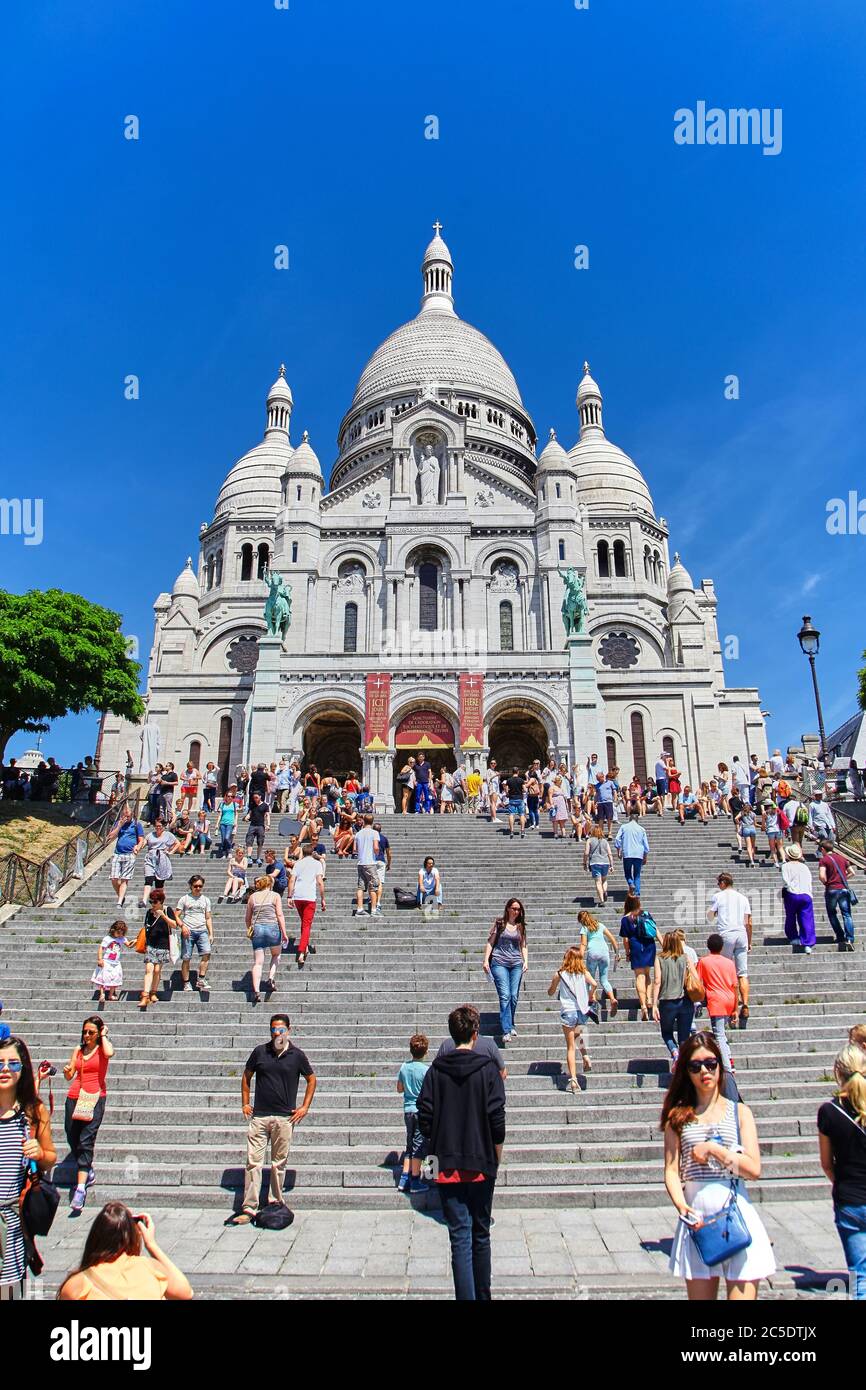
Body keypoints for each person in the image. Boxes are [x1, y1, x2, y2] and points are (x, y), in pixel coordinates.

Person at [662, 1032, 775, 1300]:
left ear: (720, 1065)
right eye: (695, 1066)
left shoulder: (740, 1112)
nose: (704, 1071)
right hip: (697, 1217)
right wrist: (681, 1205)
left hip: (736, 1215)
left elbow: (754, 1168)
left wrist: (714, 1150)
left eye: (710, 1063)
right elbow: (670, 1169)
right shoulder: (677, 1117)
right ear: (685, 1071)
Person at [416, 1004, 506, 1302]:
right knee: (481, 1233)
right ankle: (483, 1295)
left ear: (452, 1035)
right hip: (482, 1160)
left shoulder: (435, 1070)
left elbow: (424, 1117)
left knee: (459, 1236)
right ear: (476, 1034)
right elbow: (497, 1119)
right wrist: (497, 1152)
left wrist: (437, 1139)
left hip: (446, 1162)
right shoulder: (489, 1070)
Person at [232, 1015, 316, 1224]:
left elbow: (311, 1078)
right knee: (253, 1161)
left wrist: (305, 1107)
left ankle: (275, 1201)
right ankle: (249, 1207)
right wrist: (245, 1102)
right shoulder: (260, 1051)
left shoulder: (297, 1055)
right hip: (260, 1115)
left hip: (284, 1117)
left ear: (288, 1030)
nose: (277, 1033)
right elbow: (246, 1075)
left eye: (281, 1030)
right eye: (274, 1030)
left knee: (279, 1162)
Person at [0, 1034, 56, 1299]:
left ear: (23, 1069)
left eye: (13, 1064)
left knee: (9, 1292)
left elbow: (51, 1158)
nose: (5, 1070)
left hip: (11, 1221)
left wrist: (40, 1151)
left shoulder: (33, 1111)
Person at [59, 1202, 193, 1300]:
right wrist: (151, 1244)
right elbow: (186, 1294)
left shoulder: (77, 1284)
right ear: (133, 1236)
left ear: (95, 1237)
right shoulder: (150, 1268)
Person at [817, 1043, 866, 1300]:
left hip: (849, 1200)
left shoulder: (829, 1111)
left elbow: (826, 1163)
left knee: (859, 1276)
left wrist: (842, 1181)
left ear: (838, 1072)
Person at [63, 1016, 114, 1212]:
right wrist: (67, 1071)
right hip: (75, 1096)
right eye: (85, 1032)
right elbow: (70, 1075)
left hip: (95, 1097)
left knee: (86, 1139)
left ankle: (81, 1187)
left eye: (91, 1032)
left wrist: (103, 1035)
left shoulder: (102, 1049)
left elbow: (110, 1052)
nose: (86, 1036)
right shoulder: (78, 1050)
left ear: (98, 1032)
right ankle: (86, 1168)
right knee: (71, 1134)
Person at [547, 945, 596, 1090]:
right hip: (582, 1010)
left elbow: (551, 992)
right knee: (579, 1035)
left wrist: (552, 987)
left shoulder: (560, 973)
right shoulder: (583, 972)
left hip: (568, 1010)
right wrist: (590, 994)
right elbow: (594, 984)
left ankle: (574, 1079)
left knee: (570, 1047)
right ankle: (586, 1055)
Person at [707, 873, 752, 1021]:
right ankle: (745, 1003)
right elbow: (748, 922)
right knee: (742, 973)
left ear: (724, 882)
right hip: (741, 934)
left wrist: (712, 913)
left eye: (719, 883)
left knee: (726, 970)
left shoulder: (718, 897)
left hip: (727, 934)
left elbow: (710, 916)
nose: (718, 885)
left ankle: (731, 1003)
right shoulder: (743, 898)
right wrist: (749, 941)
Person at [483, 898, 528, 1043]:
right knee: (505, 995)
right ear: (508, 908)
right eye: (514, 908)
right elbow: (490, 942)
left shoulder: (521, 926)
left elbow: (523, 945)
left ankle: (511, 1023)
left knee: (513, 996)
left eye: (518, 909)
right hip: (499, 962)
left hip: (516, 963)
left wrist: (525, 961)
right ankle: (506, 1030)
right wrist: (485, 960)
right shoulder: (500, 923)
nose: (516, 911)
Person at [695, 935, 738, 1073]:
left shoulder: (704, 962)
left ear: (708, 946)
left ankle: (727, 1067)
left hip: (716, 1001)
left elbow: (697, 981)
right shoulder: (729, 963)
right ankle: (729, 1059)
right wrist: (736, 1008)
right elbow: (735, 986)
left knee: (719, 1034)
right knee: (722, 1033)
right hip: (730, 999)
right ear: (721, 947)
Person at [652, 932, 695, 1069]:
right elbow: (695, 976)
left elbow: (657, 981)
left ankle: (675, 1053)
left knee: (666, 1032)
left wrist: (654, 1004)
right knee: (684, 1036)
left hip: (667, 1001)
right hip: (685, 1000)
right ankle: (683, 1063)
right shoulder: (685, 957)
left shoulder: (659, 958)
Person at [396, 1034, 430, 1194]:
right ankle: (415, 1179)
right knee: (418, 1145)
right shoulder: (426, 1070)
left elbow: (399, 1088)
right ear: (426, 1052)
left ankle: (404, 1178)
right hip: (421, 1110)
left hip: (408, 1109)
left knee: (409, 1144)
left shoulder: (404, 1067)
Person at [246, 875, 289, 1000]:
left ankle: (256, 990)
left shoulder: (252, 897)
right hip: (273, 928)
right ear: (270, 884)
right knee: (276, 955)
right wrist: (284, 933)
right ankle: (270, 978)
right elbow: (280, 915)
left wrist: (250, 929)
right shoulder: (275, 896)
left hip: (258, 929)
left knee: (258, 962)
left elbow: (247, 918)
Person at [287, 844, 326, 969]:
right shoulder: (317, 864)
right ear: (312, 852)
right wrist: (323, 898)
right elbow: (320, 882)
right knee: (307, 924)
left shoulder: (298, 864)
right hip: (309, 897)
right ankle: (302, 952)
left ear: (302, 853)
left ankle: (306, 947)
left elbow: (292, 880)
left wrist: (289, 896)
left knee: (304, 923)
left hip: (298, 896)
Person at [620, 893, 657, 1021]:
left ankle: (643, 1006)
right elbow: (654, 929)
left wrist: (627, 952)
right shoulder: (645, 913)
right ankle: (650, 1000)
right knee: (648, 975)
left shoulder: (625, 919)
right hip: (649, 945)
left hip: (636, 947)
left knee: (639, 976)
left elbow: (625, 939)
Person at [139, 889, 179, 1010]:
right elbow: (146, 928)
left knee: (157, 970)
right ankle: (145, 996)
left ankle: (153, 992)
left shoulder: (167, 910)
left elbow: (174, 925)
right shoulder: (149, 912)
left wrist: (163, 916)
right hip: (151, 944)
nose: (153, 904)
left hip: (163, 945)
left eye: (155, 902)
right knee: (149, 969)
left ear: (161, 901)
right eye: (151, 901)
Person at [175, 874, 214, 992]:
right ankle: (186, 983)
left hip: (202, 930)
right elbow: (176, 915)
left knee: (207, 953)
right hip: (188, 931)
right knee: (186, 958)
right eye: (195, 886)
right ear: (191, 886)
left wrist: (211, 933)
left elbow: (208, 917)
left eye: (200, 886)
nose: (198, 888)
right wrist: (182, 926)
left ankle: (201, 979)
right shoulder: (184, 899)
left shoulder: (206, 900)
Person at [576, 909, 620, 1015]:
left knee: (590, 979)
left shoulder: (584, 928)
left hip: (593, 953)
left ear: (581, 921)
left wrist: (579, 957)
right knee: (604, 980)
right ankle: (613, 999)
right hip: (605, 953)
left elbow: (583, 944)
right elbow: (613, 940)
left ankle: (593, 1001)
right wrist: (617, 953)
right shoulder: (600, 925)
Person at [818, 839, 857, 951]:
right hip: (843, 890)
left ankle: (840, 936)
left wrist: (827, 882)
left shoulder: (824, 860)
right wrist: (843, 879)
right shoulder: (842, 858)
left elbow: (821, 876)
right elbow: (852, 872)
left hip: (832, 890)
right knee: (847, 914)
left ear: (823, 849)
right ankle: (849, 939)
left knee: (832, 913)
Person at [779, 844, 816, 953]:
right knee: (807, 918)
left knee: (790, 916)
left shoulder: (785, 866)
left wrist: (788, 887)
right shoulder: (804, 866)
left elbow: (785, 880)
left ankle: (794, 937)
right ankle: (808, 943)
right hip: (806, 894)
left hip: (792, 894)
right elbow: (809, 880)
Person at [107, 806, 145, 909]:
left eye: (128, 816)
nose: (126, 817)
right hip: (118, 853)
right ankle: (121, 895)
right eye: (124, 815)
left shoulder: (136, 824)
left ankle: (119, 902)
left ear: (132, 814)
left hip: (129, 854)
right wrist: (119, 826)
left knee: (124, 879)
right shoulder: (119, 823)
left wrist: (138, 846)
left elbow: (141, 839)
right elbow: (110, 837)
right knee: (114, 878)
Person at [138, 818, 179, 908]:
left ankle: (160, 902)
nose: (158, 828)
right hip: (150, 857)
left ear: (163, 826)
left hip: (162, 858)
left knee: (159, 883)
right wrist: (138, 847)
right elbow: (144, 843)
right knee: (148, 879)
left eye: (160, 826)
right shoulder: (150, 835)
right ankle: (144, 901)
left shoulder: (168, 835)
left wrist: (171, 852)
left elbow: (177, 843)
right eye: (156, 826)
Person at [91, 920, 132, 1003]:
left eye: (122, 933)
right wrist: (100, 959)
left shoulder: (122, 939)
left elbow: (129, 945)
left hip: (116, 963)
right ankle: (102, 994)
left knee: (115, 978)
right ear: (113, 930)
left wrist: (136, 941)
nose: (120, 935)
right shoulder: (108, 938)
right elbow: (101, 948)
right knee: (103, 977)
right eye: (118, 933)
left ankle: (110, 994)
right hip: (107, 961)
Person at [613, 809, 649, 895]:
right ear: (637, 820)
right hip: (638, 854)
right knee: (637, 875)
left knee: (627, 872)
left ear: (629, 819)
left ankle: (630, 883)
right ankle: (637, 893)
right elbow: (646, 846)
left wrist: (618, 851)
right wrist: (645, 857)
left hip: (628, 853)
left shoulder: (624, 827)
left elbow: (617, 839)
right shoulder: (641, 829)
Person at [353, 814, 381, 917]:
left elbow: (354, 849)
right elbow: (376, 847)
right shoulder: (374, 833)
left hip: (361, 862)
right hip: (370, 863)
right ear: (372, 822)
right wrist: (376, 853)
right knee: (373, 887)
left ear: (364, 821)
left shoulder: (358, 834)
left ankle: (359, 908)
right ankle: (373, 910)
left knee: (360, 887)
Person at [583, 823, 613, 905]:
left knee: (598, 882)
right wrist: (611, 865)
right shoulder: (605, 841)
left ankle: (602, 901)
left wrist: (584, 863)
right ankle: (605, 891)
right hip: (605, 862)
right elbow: (610, 853)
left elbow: (586, 853)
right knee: (604, 880)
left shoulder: (589, 840)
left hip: (595, 862)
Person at [243, 792, 270, 868]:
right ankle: (249, 857)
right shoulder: (252, 804)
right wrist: (247, 817)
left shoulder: (265, 805)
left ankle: (258, 858)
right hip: (252, 825)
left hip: (261, 826)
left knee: (260, 842)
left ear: (260, 797)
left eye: (256, 797)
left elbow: (267, 815)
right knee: (249, 840)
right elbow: (250, 813)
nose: (255, 799)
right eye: (254, 798)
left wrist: (268, 824)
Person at [216, 786, 239, 857]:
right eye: (228, 796)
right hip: (223, 823)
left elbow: (236, 814)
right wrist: (217, 823)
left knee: (227, 837)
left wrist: (235, 822)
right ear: (226, 796)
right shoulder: (222, 804)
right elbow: (220, 815)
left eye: (231, 796)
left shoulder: (235, 804)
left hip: (230, 823)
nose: (229, 797)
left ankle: (229, 851)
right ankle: (223, 852)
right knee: (223, 839)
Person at [504, 767, 526, 839]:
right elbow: (525, 789)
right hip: (519, 798)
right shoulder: (521, 780)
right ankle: (522, 830)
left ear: (512, 772)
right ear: (518, 772)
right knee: (521, 814)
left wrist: (508, 793)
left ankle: (511, 831)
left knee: (511, 815)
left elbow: (506, 790)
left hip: (512, 799)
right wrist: (521, 791)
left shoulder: (509, 780)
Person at [734, 799, 758, 866]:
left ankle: (751, 860)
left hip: (745, 828)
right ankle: (753, 858)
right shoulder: (753, 814)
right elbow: (755, 824)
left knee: (748, 846)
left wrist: (739, 823)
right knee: (753, 846)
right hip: (752, 828)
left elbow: (736, 818)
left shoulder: (742, 813)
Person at [373, 819, 391, 901]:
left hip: (371, 861)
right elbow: (388, 853)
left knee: (372, 882)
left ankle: (372, 898)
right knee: (379, 883)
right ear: (380, 830)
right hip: (381, 860)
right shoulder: (384, 838)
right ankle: (378, 901)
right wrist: (389, 864)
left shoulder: (371, 837)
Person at [761, 799, 784, 865]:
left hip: (770, 831)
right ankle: (784, 860)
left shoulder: (765, 813)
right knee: (780, 847)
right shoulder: (776, 811)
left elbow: (763, 824)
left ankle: (776, 862)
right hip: (778, 829)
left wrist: (763, 827)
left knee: (772, 848)